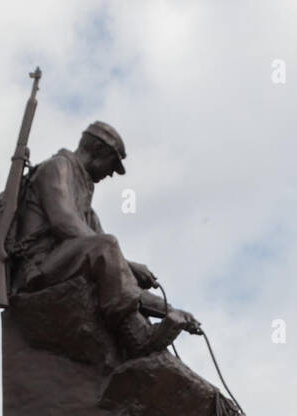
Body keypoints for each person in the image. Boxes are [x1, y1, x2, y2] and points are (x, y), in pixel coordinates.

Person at [11, 121, 201, 357]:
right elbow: (65, 224)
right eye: (112, 165)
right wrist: (129, 265)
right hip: (39, 269)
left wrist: (169, 310)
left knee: (109, 251)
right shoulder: (57, 167)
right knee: (107, 245)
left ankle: (138, 331)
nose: (111, 173)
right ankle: (136, 334)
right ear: (98, 152)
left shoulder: (87, 203)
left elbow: (114, 270)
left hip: (61, 264)